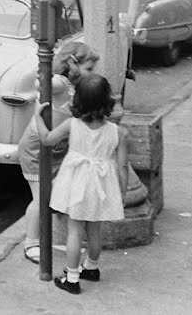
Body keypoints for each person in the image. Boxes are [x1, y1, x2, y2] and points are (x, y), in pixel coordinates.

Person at [36, 73, 128, 295]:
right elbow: (123, 167)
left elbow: (46, 139)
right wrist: (121, 194)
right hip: (101, 186)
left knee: (75, 231)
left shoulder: (72, 124)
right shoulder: (118, 133)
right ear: (108, 101)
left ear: (78, 101)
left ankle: (72, 277)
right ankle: (92, 268)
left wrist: (38, 116)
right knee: (95, 229)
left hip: (76, 184)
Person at [17, 41, 99, 264]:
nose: (92, 74)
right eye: (89, 68)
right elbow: (42, 81)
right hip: (37, 147)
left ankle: (50, 237)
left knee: (55, 193)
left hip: (55, 146)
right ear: (72, 63)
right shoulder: (61, 82)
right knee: (40, 198)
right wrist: (44, 73)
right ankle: (31, 243)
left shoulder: (71, 85)